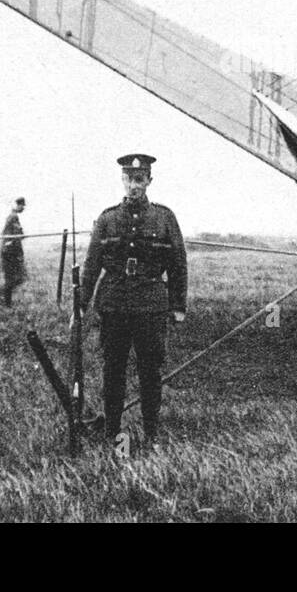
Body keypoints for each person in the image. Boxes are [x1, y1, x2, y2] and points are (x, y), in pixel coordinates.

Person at [81, 154, 187, 447]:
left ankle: (151, 432)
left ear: (149, 181)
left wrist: (178, 305)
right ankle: (112, 431)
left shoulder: (164, 218)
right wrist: (81, 303)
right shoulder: (107, 218)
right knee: (113, 370)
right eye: (129, 179)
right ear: (122, 180)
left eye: (140, 180)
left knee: (150, 371)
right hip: (114, 304)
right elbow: (92, 264)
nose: (134, 186)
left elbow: (178, 263)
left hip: (150, 305)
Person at [0, 197, 27, 306]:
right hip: (10, 252)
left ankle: (7, 301)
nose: (23, 208)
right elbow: (19, 234)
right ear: (17, 205)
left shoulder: (12, 216)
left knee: (14, 277)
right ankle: (7, 302)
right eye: (22, 205)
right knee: (14, 278)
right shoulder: (13, 217)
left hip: (9, 251)